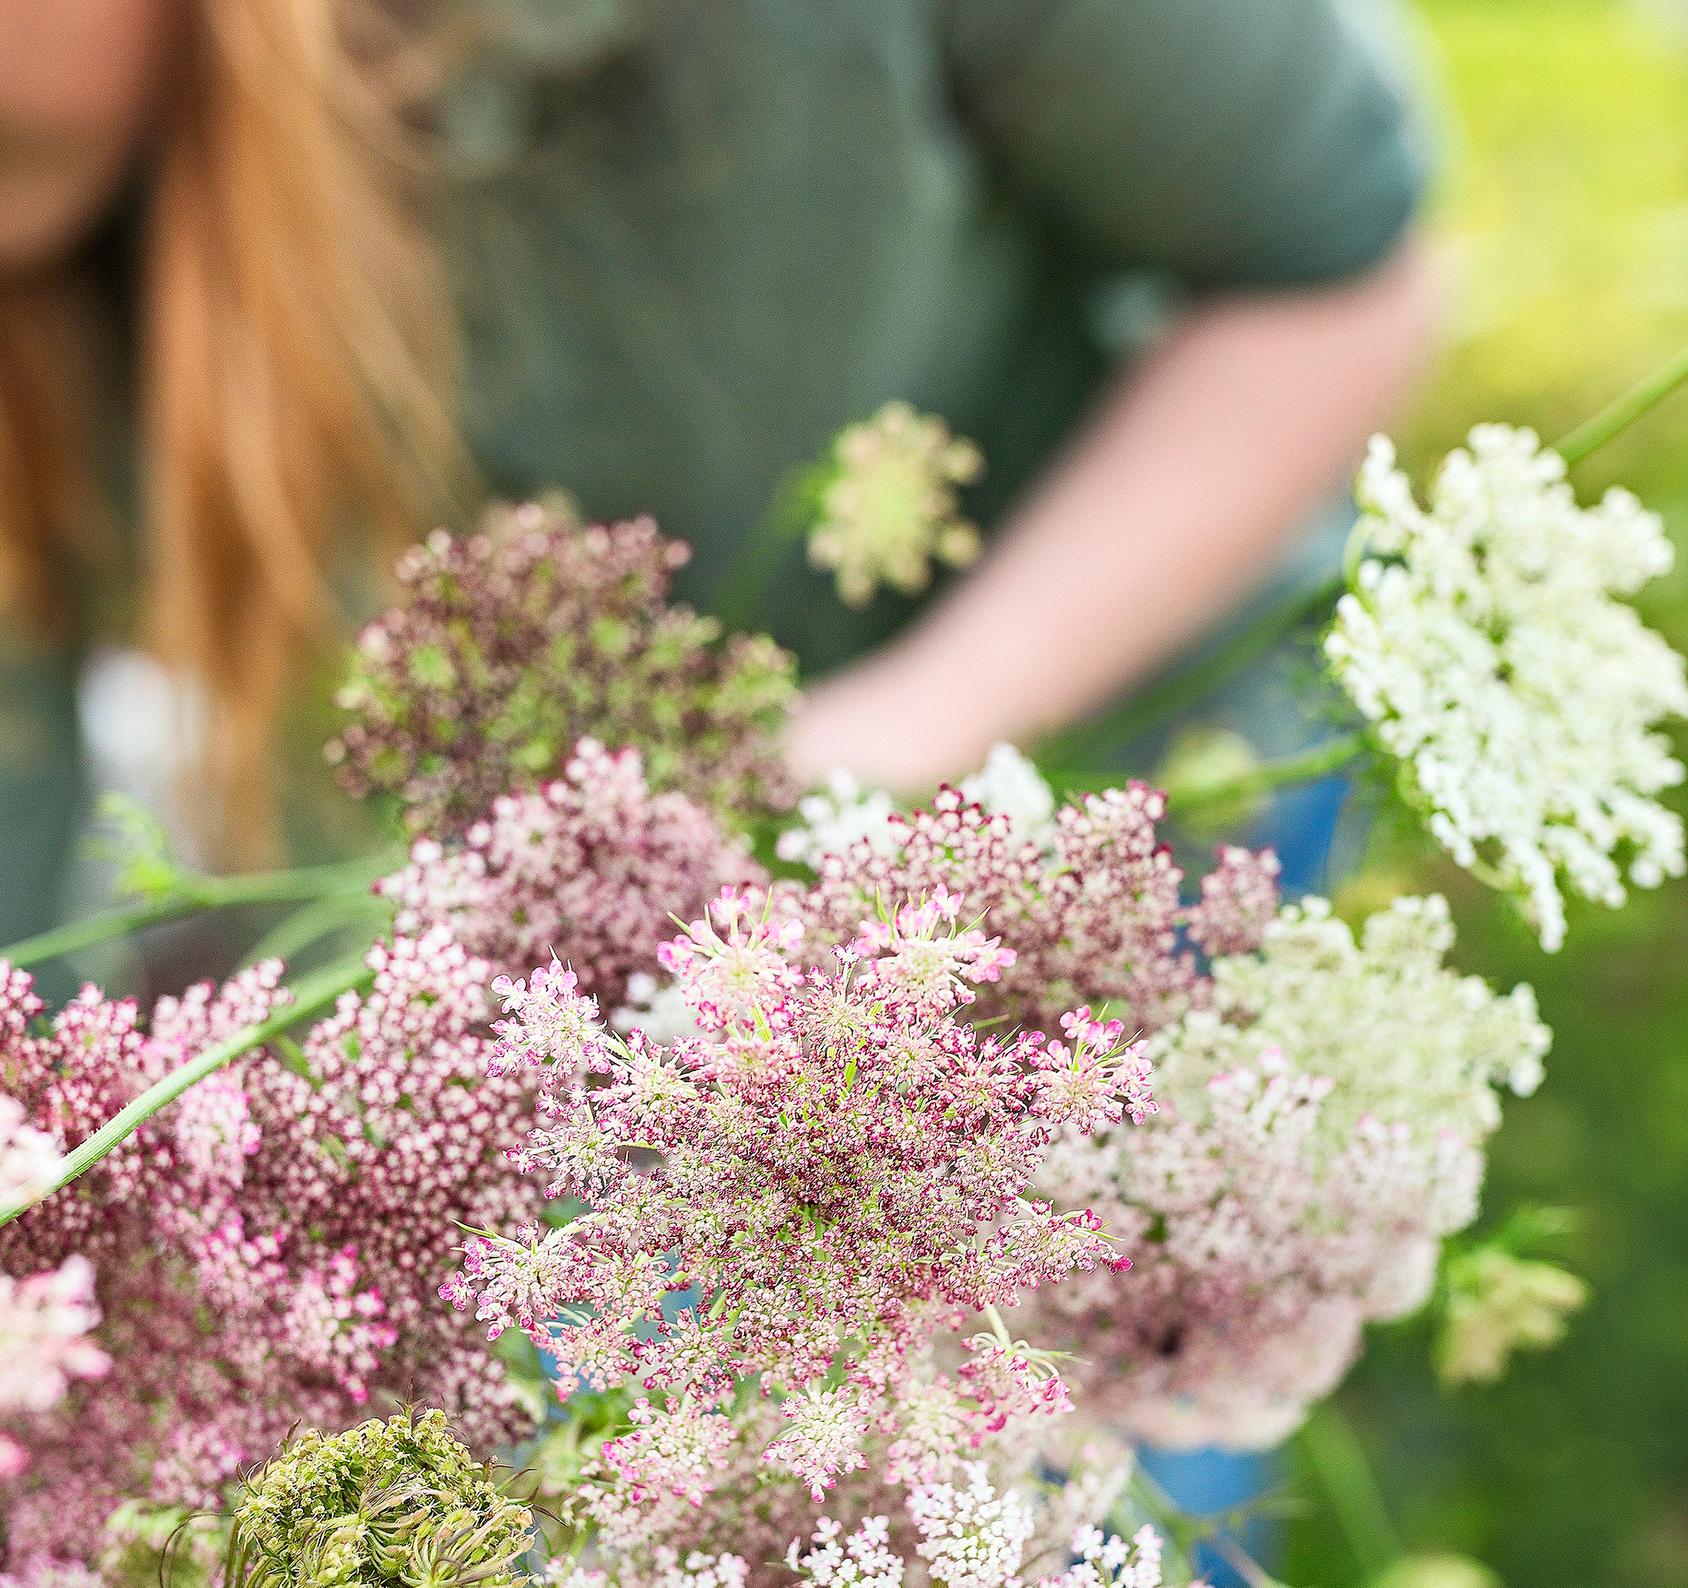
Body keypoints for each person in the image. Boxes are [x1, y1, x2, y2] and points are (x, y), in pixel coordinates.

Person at [0, 0, 1434, 948]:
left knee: (1085, 1363)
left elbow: (1332, 268)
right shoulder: (61, 169)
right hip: (576, 943)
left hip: (1131, 762)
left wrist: (904, 744)